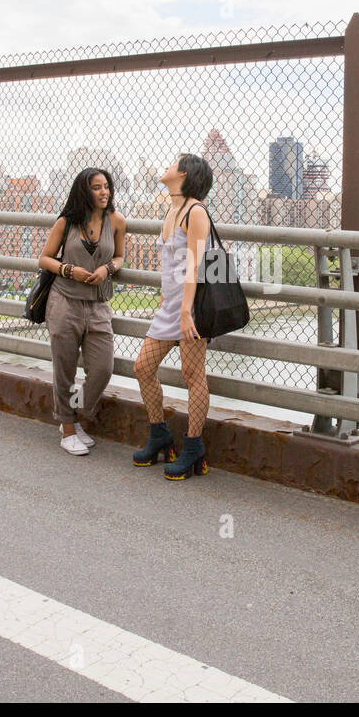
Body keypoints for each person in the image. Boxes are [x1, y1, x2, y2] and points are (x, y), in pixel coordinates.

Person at [132, 153, 214, 480]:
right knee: (142, 367)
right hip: (171, 306)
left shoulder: (196, 211)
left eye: (173, 163)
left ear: (184, 173)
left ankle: (193, 446)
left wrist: (184, 312)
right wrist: (169, 302)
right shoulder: (170, 208)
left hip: (190, 308)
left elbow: (195, 265)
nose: (166, 166)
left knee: (192, 373)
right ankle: (160, 435)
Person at [39, 168, 126, 455]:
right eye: (97, 187)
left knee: (102, 368)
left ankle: (73, 414)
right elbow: (44, 259)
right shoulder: (67, 222)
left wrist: (107, 269)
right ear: (84, 191)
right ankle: (67, 428)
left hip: (99, 305)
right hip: (64, 302)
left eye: (106, 187)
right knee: (63, 369)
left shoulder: (116, 221)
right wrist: (68, 270)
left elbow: (120, 256)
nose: (104, 192)